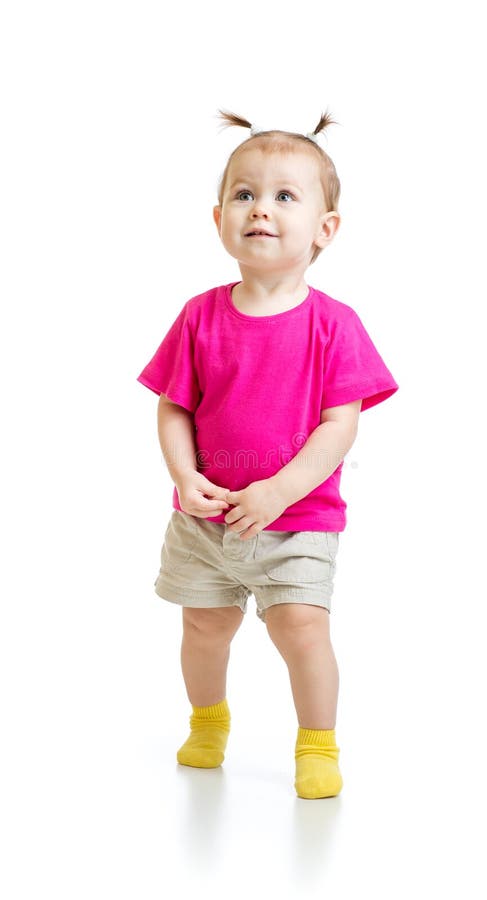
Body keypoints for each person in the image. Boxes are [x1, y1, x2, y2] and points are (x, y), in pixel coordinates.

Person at [137, 108, 399, 800]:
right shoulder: (199, 314)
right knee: (204, 625)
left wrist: (280, 490)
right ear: (218, 215)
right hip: (205, 520)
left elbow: (339, 426)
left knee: (301, 628)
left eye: (285, 195)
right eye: (245, 193)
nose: (261, 208)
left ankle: (317, 742)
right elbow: (172, 405)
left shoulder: (333, 324)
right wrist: (184, 475)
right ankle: (207, 719)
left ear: (324, 229)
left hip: (298, 519)